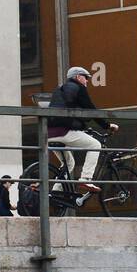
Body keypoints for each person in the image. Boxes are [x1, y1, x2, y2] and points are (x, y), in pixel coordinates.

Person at [48, 65, 118, 205]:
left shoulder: (60, 90)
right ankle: (85, 179)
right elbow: (91, 109)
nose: (87, 81)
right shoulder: (78, 88)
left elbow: (69, 111)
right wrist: (107, 125)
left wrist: (81, 126)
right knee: (95, 144)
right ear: (78, 77)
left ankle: (55, 193)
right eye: (86, 78)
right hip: (64, 132)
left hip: (49, 135)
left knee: (69, 163)